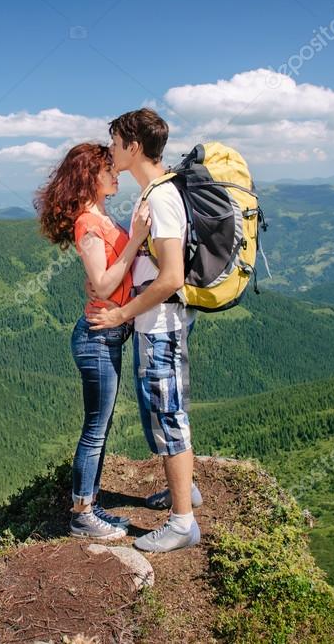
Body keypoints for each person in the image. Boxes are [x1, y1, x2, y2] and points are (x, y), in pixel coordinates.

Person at [88, 108, 203, 553]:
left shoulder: (160, 198)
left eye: (115, 143)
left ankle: (182, 523)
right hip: (159, 323)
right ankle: (184, 493)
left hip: (161, 324)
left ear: (134, 146)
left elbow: (171, 276)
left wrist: (121, 315)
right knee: (163, 409)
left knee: (168, 412)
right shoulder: (158, 191)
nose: (112, 151)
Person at [34, 142, 151, 541]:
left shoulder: (99, 215)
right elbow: (102, 282)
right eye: (107, 169)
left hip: (108, 333)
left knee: (100, 426)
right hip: (98, 340)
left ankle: (91, 504)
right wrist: (135, 240)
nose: (115, 173)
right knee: (95, 430)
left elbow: (102, 279)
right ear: (89, 176)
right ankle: (82, 513)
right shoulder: (88, 221)